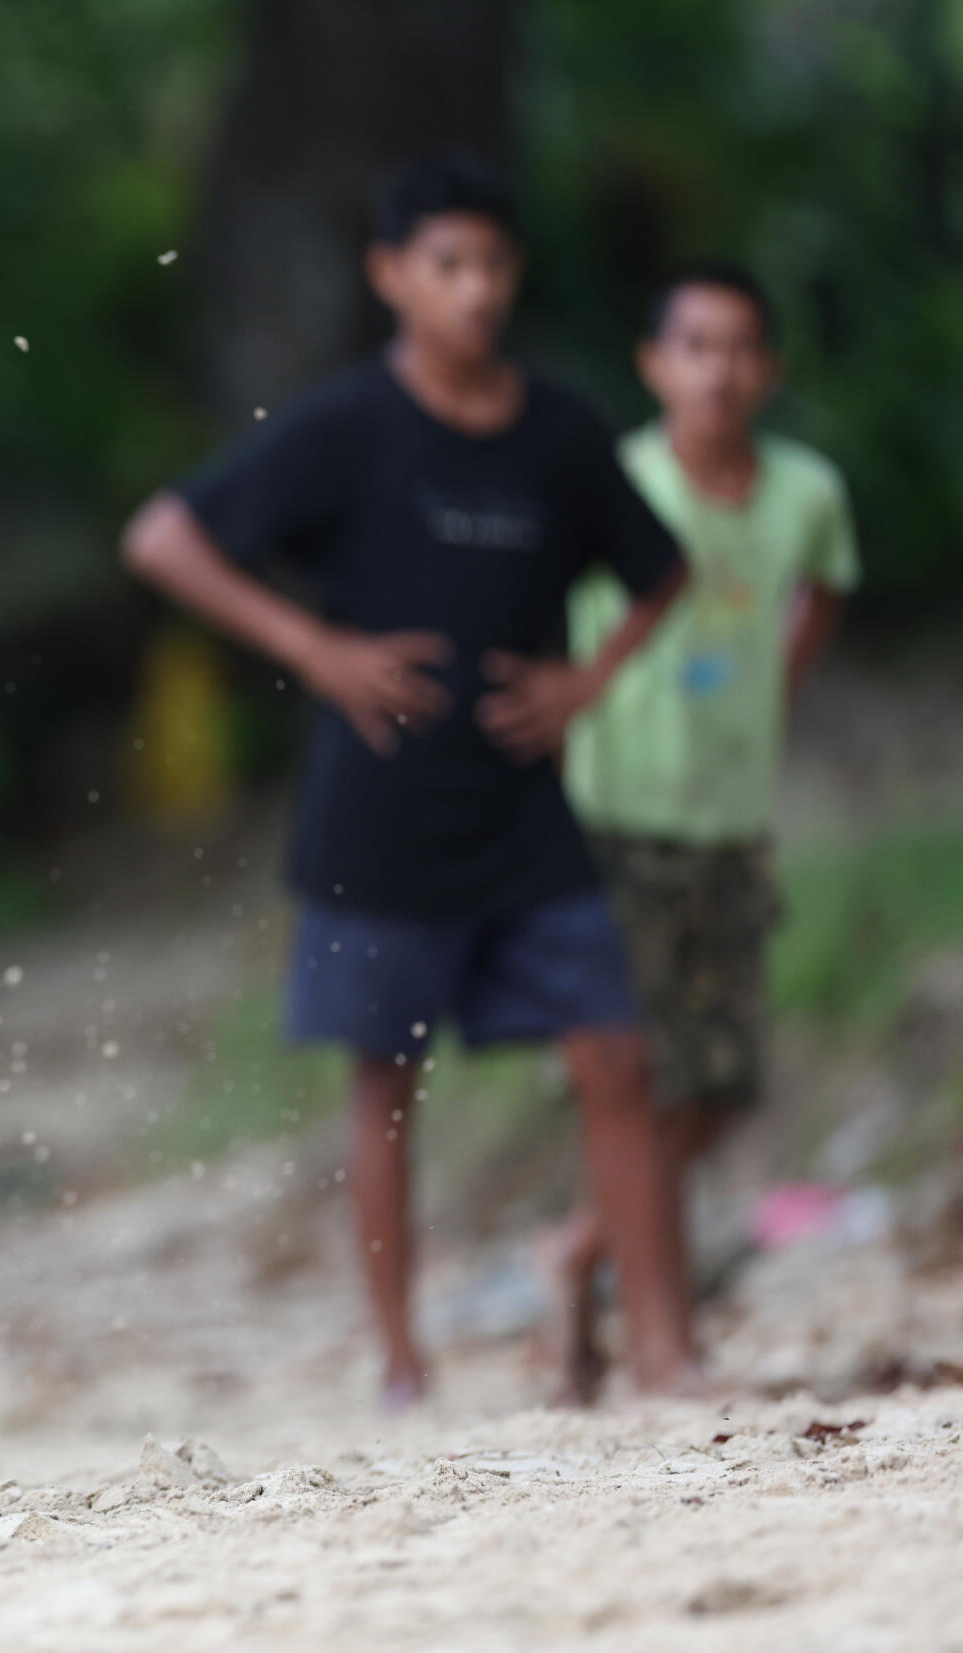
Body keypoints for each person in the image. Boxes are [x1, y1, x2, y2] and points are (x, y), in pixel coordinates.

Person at [119, 155, 701, 1405]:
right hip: (375, 808)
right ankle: (398, 1361)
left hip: (522, 805)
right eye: (446, 265)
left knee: (613, 1055)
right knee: (381, 1078)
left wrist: (583, 683)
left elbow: (660, 571)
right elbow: (161, 536)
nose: (474, 289)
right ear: (391, 278)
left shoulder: (560, 431)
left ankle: (661, 1346)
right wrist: (312, 649)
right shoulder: (344, 427)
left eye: (492, 264)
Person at [543, 262, 857, 1403]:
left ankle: (586, 1249)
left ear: (767, 369)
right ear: (652, 363)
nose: (716, 369)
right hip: (614, 812)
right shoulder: (608, 483)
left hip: (730, 817)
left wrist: (772, 681)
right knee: (642, 1075)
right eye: (694, 345)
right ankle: (660, 1342)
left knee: (718, 1084)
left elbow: (820, 587)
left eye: (738, 348)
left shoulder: (802, 494)